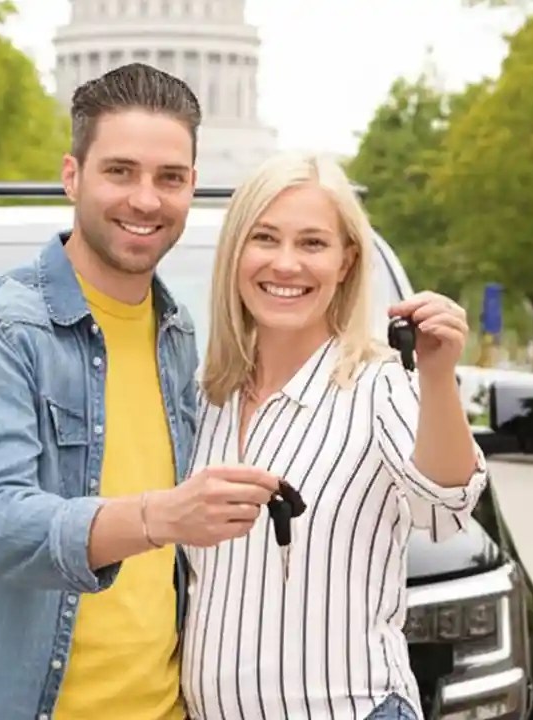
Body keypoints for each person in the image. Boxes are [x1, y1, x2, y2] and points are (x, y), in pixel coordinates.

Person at [0, 63, 280, 720]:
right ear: (72, 175)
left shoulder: (176, 332)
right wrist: (159, 517)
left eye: (169, 178)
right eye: (121, 171)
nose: (146, 199)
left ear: (192, 187)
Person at [180, 152, 489, 720]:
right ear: (235, 254)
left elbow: (446, 505)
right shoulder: (202, 400)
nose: (286, 263)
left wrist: (439, 375)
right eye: (265, 238)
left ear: (346, 262)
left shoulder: (381, 388)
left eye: (313, 244)